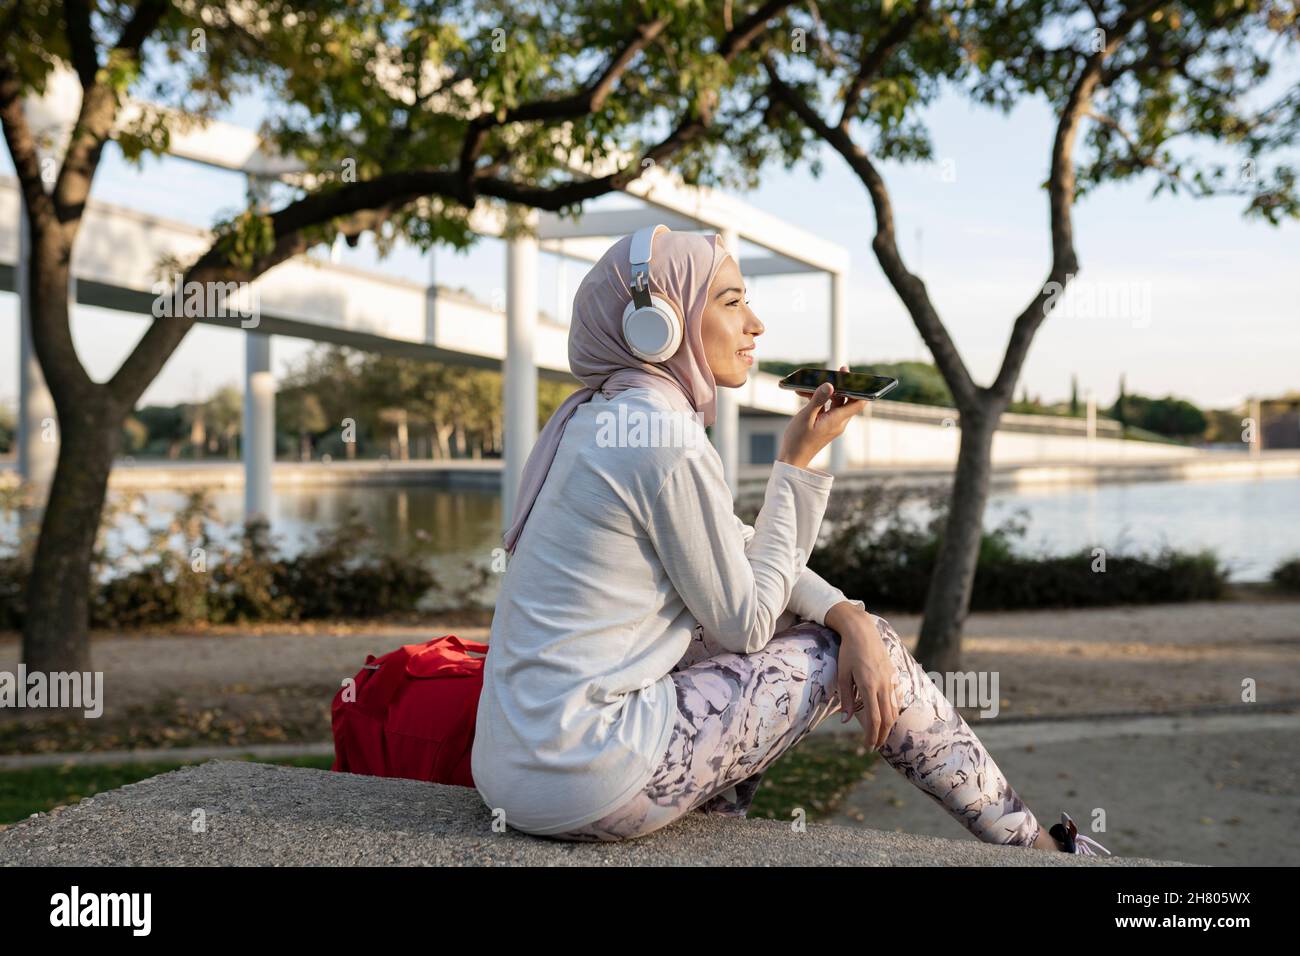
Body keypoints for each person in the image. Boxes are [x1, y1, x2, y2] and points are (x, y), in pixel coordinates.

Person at [470, 225, 1108, 855]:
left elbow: (735, 544)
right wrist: (798, 466)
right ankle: (1039, 851)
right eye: (730, 301)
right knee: (849, 649)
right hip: (587, 779)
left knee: (825, 631)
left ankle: (715, 813)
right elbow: (748, 622)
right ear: (656, 324)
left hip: (515, 773)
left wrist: (842, 611)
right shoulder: (660, 438)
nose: (756, 324)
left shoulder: (600, 418)